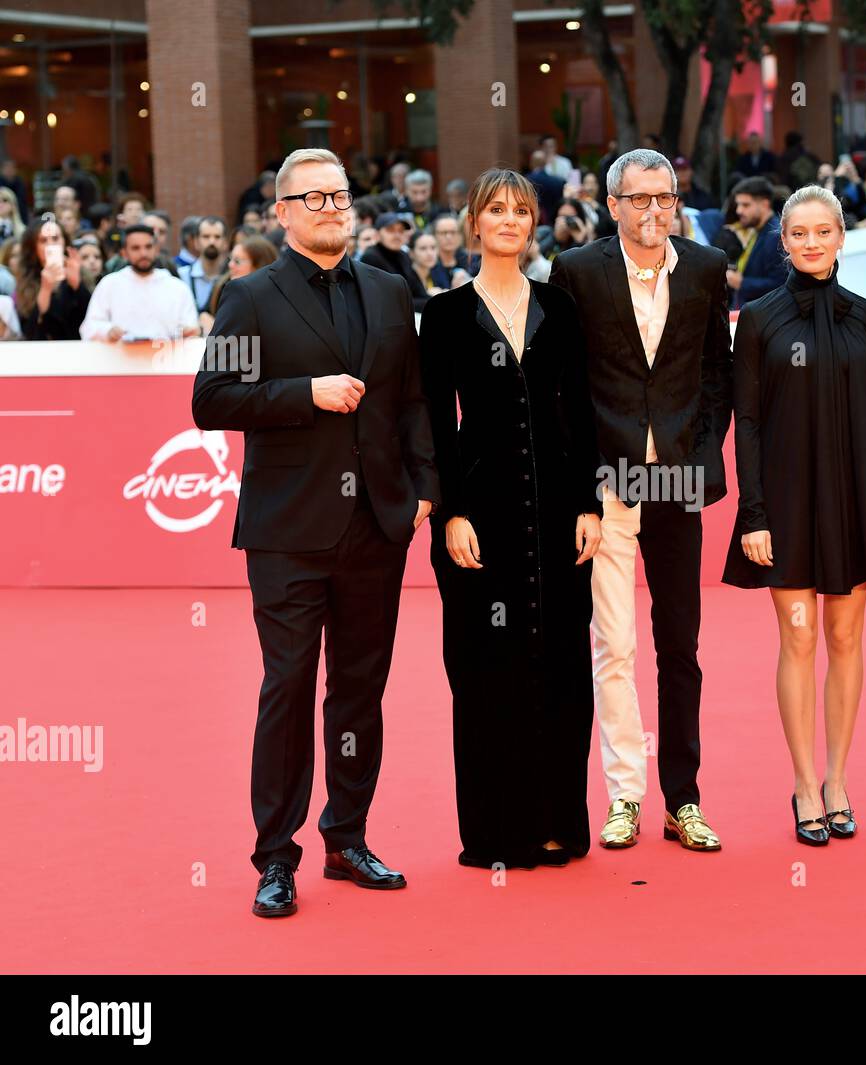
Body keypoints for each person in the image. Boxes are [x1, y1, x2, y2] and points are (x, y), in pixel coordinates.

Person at [191, 148, 438, 918]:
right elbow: (213, 400)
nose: (335, 207)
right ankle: (275, 855)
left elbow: (413, 402)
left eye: (342, 195)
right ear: (283, 211)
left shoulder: (393, 291)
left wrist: (426, 488)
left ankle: (348, 835)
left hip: (376, 523)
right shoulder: (248, 295)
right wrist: (306, 393)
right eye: (317, 197)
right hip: (288, 529)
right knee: (288, 687)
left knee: (361, 690)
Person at [549, 148, 733, 852]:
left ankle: (682, 798)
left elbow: (717, 371)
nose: (655, 211)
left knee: (679, 644)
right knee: (615, 646)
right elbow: (566, 388)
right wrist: (585, 485)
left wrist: (704, 453)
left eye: (666, 198)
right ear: (613, 205)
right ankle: (625, 793)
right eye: (640, 199)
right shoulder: (578, 273)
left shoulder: (707, 269)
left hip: (679, 481)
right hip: (611, 483)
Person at [419, 168, 603, 869]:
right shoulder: (442, 316)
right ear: (473, 223)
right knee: (484, 668)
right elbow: (437, 421)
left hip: (559, 512)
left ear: (534, 225)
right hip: (480, 513)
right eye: (493, 208)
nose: (507, 220)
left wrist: (590, 501)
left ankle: (559, 821)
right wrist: (451, 514)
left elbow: (581, 412)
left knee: (561, 665)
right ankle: (497, 830)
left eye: (520, 211)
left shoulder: (560, 307)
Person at [722, 184, 866, 845]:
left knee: (847, 640)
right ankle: (802, 785)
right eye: (799, 233)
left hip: (855, 501)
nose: (812, 242)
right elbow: (748, 422)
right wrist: (755, 513)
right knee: (798, 639)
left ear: (841, 238)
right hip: (788, 507)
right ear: (783, 241)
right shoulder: (761, 319)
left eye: (824, 231)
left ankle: (837, 780)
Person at [79, 225, 199, 341]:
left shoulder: (177, 287)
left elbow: (192, 328)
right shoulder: (109, 284)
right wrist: (108, 331)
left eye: (148, 247)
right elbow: (89, 327)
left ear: (156, 249)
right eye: (136, 248)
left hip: (166, 359)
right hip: (119, 359)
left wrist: (187, 332)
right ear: (124, 253)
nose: (143, 254)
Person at [14, 216, 91, 340]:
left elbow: (92, 319)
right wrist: (45, 290)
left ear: (64, 241)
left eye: (55, 238)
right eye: (43, 240)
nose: (51, 245)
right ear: (34, 247)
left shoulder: (81, 273)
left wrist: (77, 285)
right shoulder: (26, 280)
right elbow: (30, 332)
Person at [728, 177, 784, 306]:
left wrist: (741, 283)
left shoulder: (775, 236)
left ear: (764, 204)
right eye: (738, 205)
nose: (739, 211)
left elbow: (780, 284)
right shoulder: (760, 231)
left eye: (746, 205)